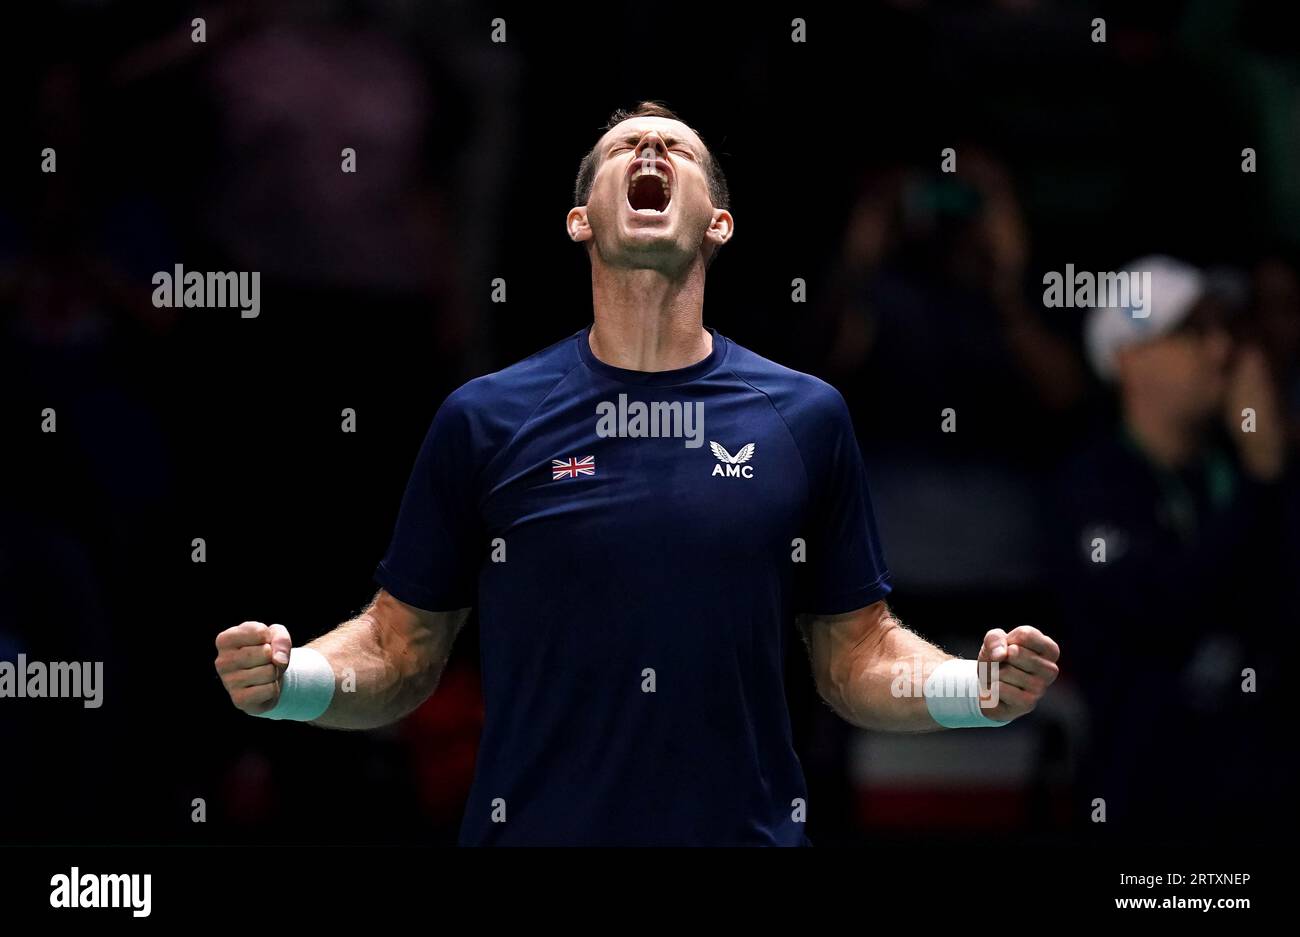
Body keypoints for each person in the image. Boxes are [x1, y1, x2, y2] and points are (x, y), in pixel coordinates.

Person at [214, 101, 1060, 846]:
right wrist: (298, 681)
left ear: (718, 223)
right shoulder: (485, 418)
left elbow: (858, 657)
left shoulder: (805, 417)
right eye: (626, 148)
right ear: (581, 219)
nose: (651, 153)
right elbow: (401, 652)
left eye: (678, 150)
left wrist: (968, 687)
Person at [1053, 255, 1292, 843]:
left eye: (1224, 331)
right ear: (1126, 356)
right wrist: (1263, 480)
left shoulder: (1237, 475)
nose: (1222, 351)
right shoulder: (1092, 488)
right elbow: (1161, 606)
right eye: (1193, 332)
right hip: (1144, 815)